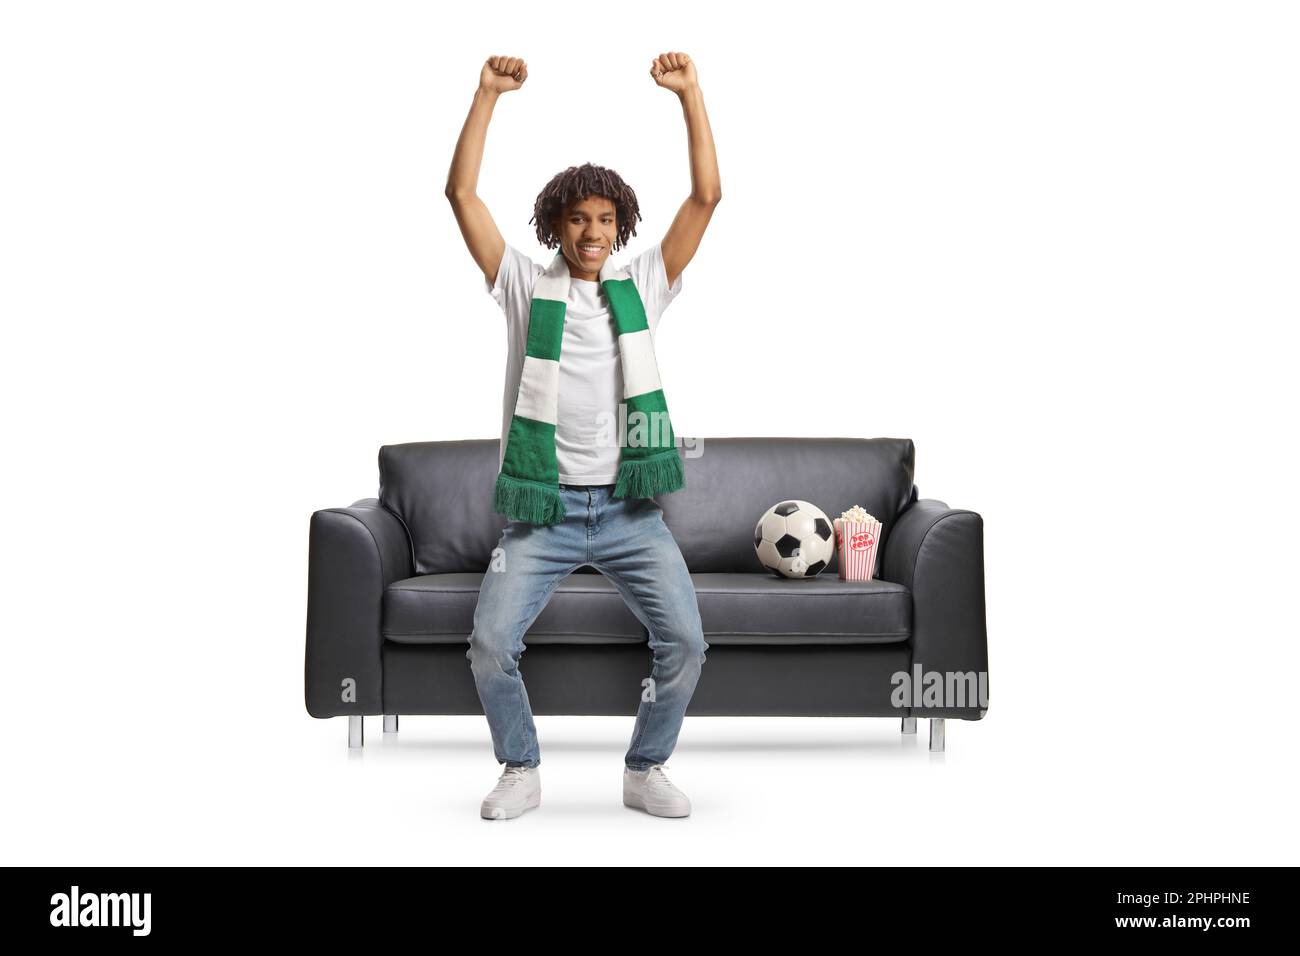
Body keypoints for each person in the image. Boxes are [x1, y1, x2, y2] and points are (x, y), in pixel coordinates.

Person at [444, 52, 722, 819]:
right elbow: (460, 193)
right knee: (490, 644)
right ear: (556, 226)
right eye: (578, 218)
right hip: (542, 514)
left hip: (631, 513)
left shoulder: (645, 285)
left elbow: (706, 196)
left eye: (605, 219)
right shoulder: (525, 287)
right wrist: (487, 95)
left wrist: (691, 95)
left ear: (620, 226)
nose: (593, 231)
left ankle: (645, 768)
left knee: (688, 644)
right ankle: (520, 767)